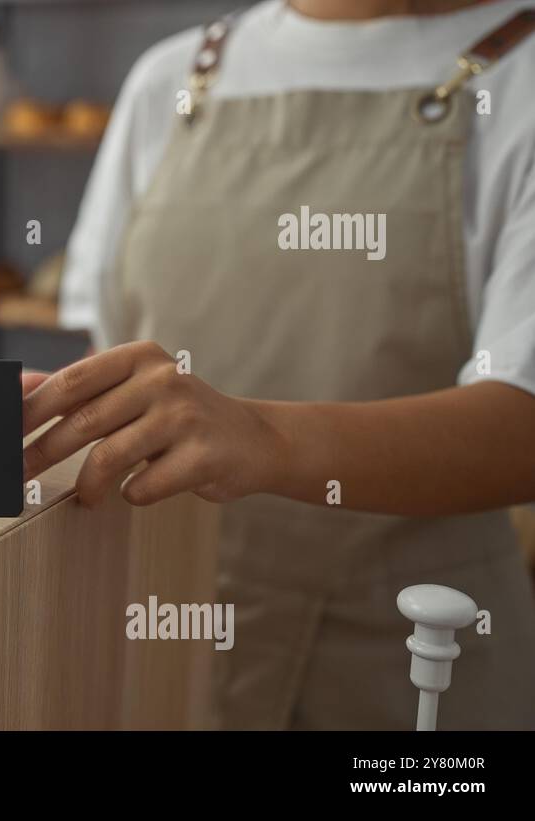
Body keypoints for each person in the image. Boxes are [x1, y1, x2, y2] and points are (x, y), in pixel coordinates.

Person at [27, 0, 535, 729]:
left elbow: (523, 421)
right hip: (170, 640)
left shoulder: (522, 78)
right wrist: (74, 408)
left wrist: (263, 438)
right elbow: (119, 347)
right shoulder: (173, 78)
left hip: (416, 665)